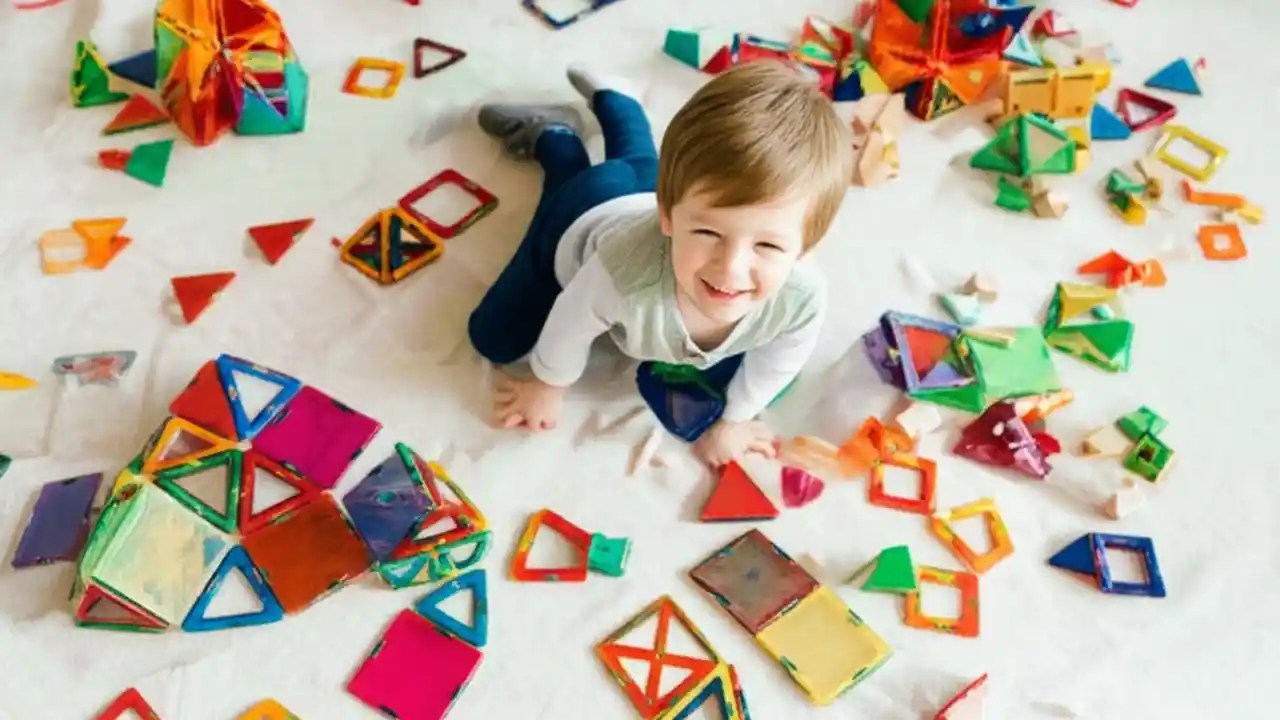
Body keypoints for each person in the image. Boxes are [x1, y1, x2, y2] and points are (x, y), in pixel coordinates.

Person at [468, 60, 852, 466]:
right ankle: (557, 139)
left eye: (768, 247)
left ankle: (620, 99)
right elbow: (571, 320)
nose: (731, 269)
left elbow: (782, 358)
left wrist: (736, 419)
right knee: (493, 338)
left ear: (808, 246)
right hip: (587, 212)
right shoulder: (622, 273)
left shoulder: (801, 296)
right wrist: (548, 384)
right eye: (709, 234)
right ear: (665, 215)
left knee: (643, 166)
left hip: (660, 196)